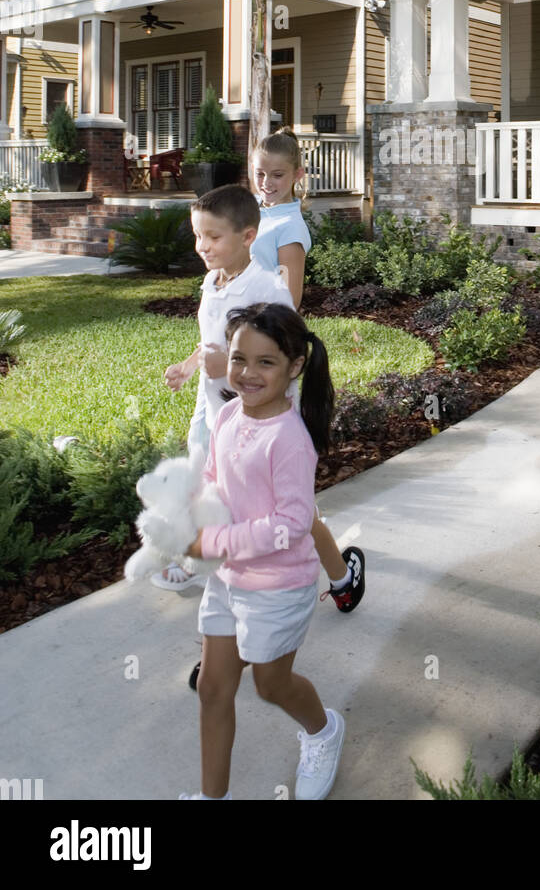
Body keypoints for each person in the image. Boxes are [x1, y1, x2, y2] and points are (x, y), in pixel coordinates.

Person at [179, 302, 345, 802]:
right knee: (212, 689)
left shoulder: (290, 440)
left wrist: (216, 542)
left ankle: (323, 731)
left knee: (270, 685)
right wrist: (189, 515)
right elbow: (212, 477)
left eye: (265, 362)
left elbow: (294, 524)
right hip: (226, 580)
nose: (247, 374)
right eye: (238, 359)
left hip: (277, 587)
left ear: (295, 366)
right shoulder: (229, 412)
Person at [156, 184, 296, 591]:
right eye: (198, 235)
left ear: (248, 236)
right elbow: (211, 341)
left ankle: (334, 568)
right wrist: (189, 365)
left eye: (213, 237)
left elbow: (283, 356)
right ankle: (200, 556)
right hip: (211, 405)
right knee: (202, 475)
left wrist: (231, 368)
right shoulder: (213, 281)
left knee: (276, 504)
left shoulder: (266, 289)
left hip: (255, 416)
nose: (203, 246)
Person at [251, 127, 364, 614]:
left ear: (297, 175)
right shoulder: (255, 216)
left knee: (289, 493)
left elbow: (289, 304)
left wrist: (259, 353)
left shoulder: (289, 229)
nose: (267, 182)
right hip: (248, 359)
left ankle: (339, 575)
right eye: (259, 173)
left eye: (277, 175)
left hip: (272, 360)